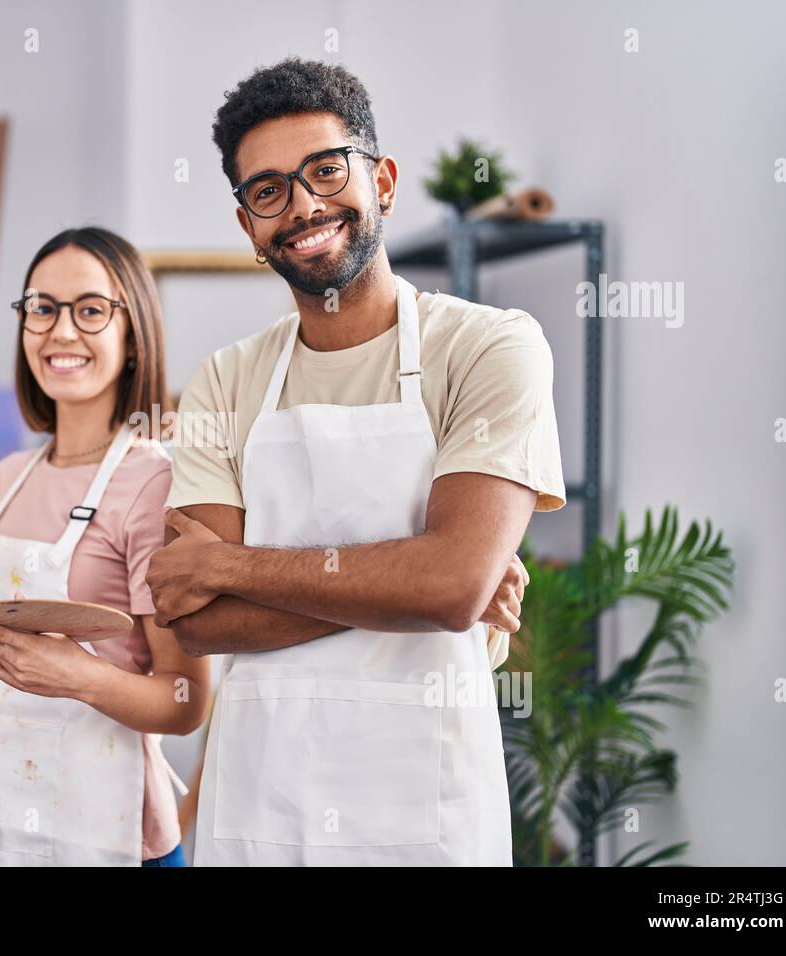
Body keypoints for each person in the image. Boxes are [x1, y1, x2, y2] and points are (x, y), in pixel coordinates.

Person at [147, 58, 566, 866]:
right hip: (258, 806)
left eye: (326, 170)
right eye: (268, 191)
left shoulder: (488, 346)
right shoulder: (225, 380)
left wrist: (232, 563)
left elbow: (450, 587)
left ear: (384, 181)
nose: (303, 206)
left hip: (427, 816)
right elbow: (198, 621)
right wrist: (422, 581)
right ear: (249, 228)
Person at [0, 227, 208, 866]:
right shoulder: (7, 476)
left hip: (111, 840)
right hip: (1, 826)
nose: (59, 332)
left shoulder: (154, 482)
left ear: (132, 333)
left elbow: (187, 700)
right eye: (41, 308)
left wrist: (82, 678)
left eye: (89, 310)